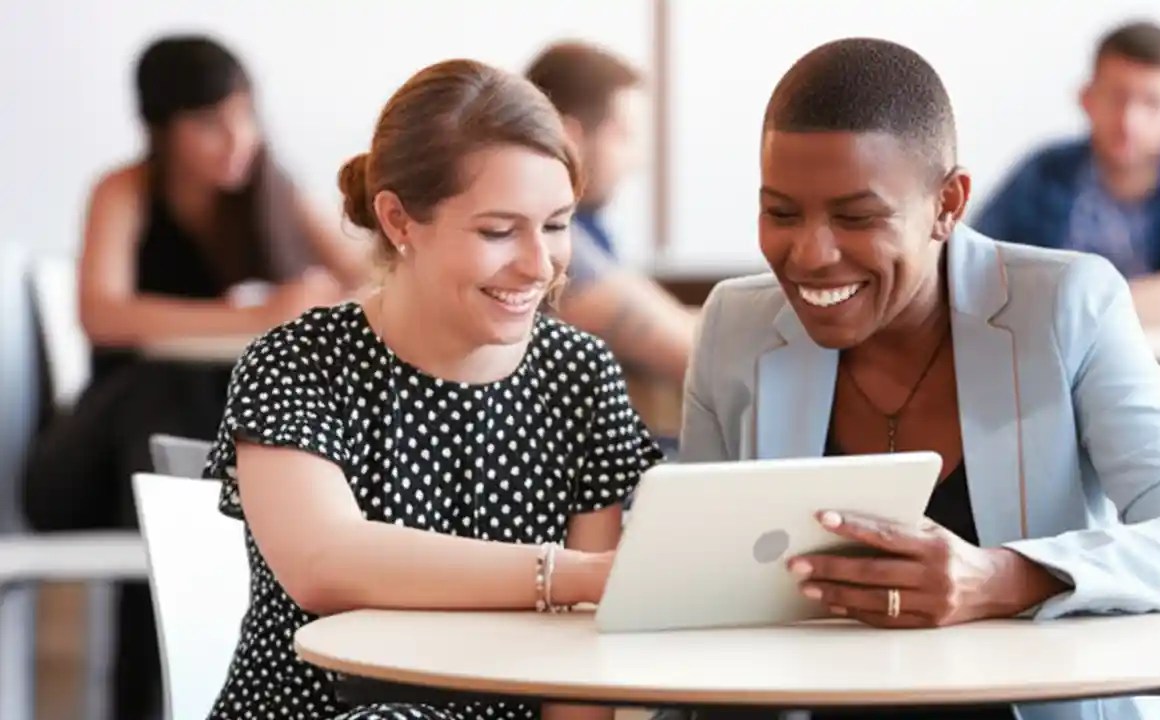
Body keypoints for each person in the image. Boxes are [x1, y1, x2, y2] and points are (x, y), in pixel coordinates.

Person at [678, 38, 1160, 720]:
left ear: (948, 204)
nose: (810, 253)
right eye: (780, 213)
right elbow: (697, 589)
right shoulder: (736, 328)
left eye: (857, 217)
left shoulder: (1067, 307)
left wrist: (1002, 578)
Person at [200, 58, 663, 720]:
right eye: (498, 231)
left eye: (557, 225)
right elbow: (325, 564)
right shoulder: (299, 362)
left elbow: (583, 668)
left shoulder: (580, 373)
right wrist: (572, 576)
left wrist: (593, 586)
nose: (539, 265)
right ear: (398, 221)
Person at [20, 35, 365, 720]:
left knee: (259, 414)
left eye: (245, 116)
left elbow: (367, 287)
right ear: (162, 129)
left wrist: (309, 306)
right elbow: (102, 314)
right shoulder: (125, 191)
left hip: (214, 455)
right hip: (96, 466)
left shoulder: (275, 190)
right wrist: (256, 316)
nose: (236, 140)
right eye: (208, 123)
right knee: (168, 390)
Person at [972, 21, 1160, 502]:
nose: (1130, 120)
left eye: (1153, 103)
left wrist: (1068, 306)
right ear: (1087, 98)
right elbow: (970, 271)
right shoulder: (1046, 171)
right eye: (1117, 97)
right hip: (1060, 409)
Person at [525, 41, 696, 385]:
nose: (637, 161)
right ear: (569, 137)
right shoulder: (547, 241)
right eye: (623, 135)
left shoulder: (585, 232)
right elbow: (693, 351)